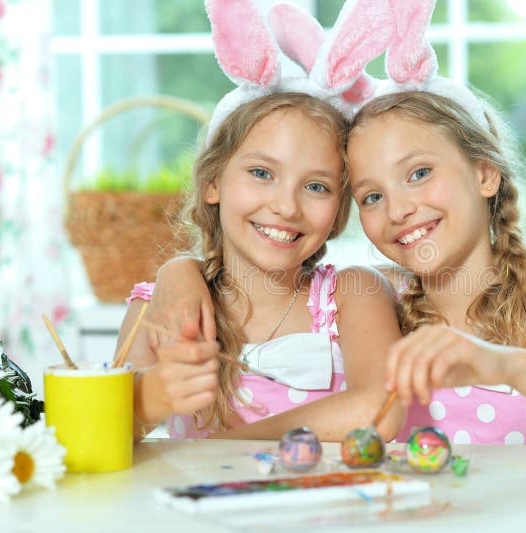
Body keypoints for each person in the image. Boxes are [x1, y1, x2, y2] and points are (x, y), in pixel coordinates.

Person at [148, 0, 526, 445]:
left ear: (486, 173)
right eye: (372, 195)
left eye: (420, 173)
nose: (399, 209)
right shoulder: (380, 305)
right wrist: (181, 271)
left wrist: (509, 365)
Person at [117, 0, 403, 443]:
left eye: (317, 187)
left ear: (339, 210)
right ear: (213, 182)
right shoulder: (163, 306)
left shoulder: (354, 296)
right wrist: (153, 394)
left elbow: (379, 407)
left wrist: (232, 446)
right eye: (262, 173)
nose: (287, 207)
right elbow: (106, 433)